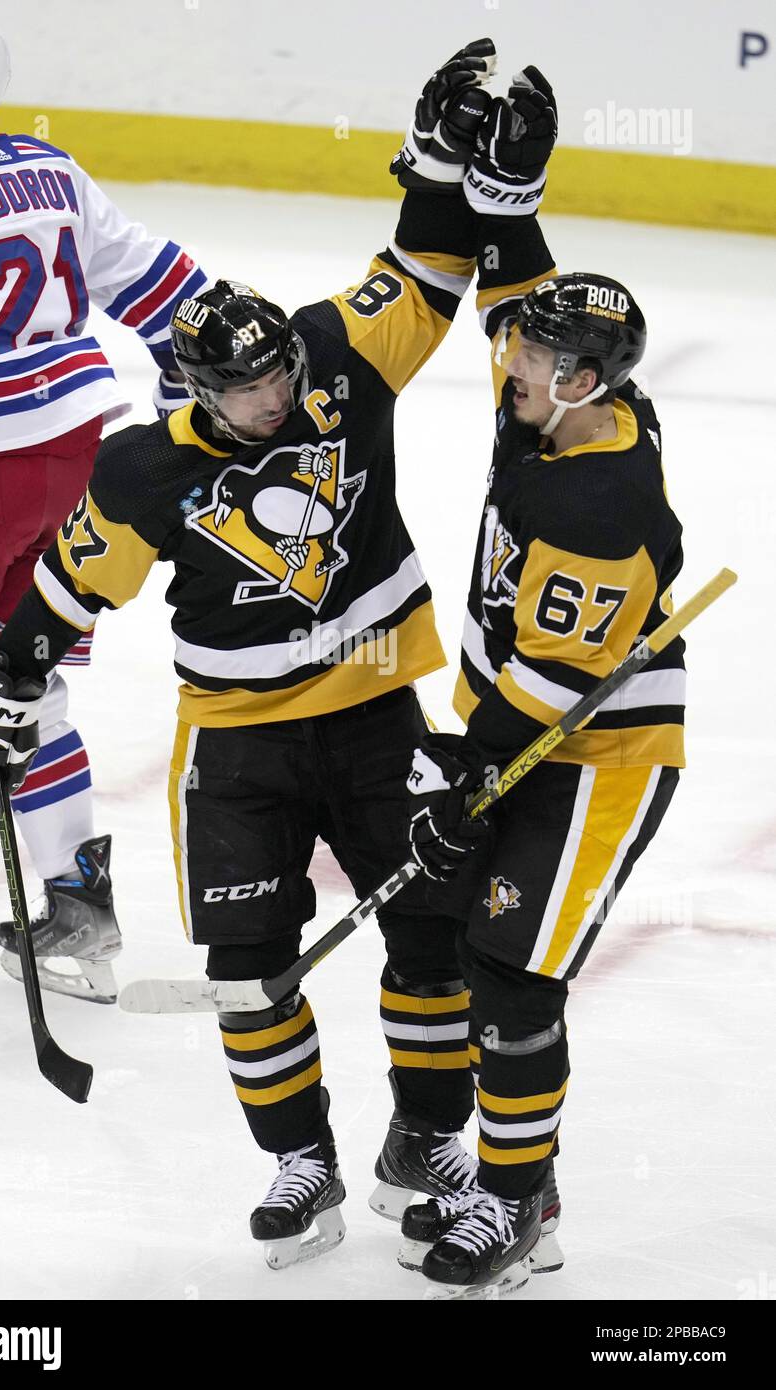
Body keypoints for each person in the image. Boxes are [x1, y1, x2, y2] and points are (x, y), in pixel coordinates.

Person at [0, 41, 531, 1269]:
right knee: (249, 972)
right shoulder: (145, 465)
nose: (277, 402)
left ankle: (423, 1142)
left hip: (378, 715)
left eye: (281, 379)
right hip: (239, 744)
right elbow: (68, 579)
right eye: (248, 394)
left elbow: (419, 272)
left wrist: (438, 168)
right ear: (195, 387)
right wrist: (3, 675)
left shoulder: (335, 360)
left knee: (428, 942)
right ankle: (297, 1155)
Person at [398, 71, 686, 1299]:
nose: (508, 358)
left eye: (533, 353)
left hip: (593, 760)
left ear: (584, 380)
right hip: (519, 729)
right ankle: (474, 1162)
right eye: (523, 347)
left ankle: (523, 1207)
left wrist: (459, 771)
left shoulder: (601, 503)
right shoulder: (561, 414)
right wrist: (492, 193)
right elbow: (521, 296)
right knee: (454, 947)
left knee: (514, 980)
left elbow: (546, 680)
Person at [0, 9, 208, 1002]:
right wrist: (180, 431)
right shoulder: (53, 169)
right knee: (21, 677)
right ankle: (77, 912)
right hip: (78, 458)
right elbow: (176, 295)